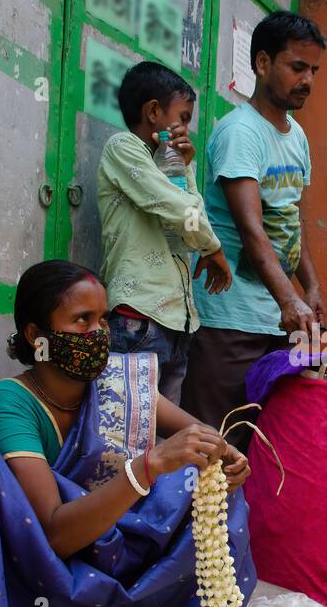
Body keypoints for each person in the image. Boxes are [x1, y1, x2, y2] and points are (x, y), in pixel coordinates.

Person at [0, 260, 254, 607]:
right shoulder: (10, 404)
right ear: (36, 335)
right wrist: (148, 466)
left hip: (120, 553)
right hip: (51, 578)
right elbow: (55, 534)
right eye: (81, 321)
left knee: (201, 479)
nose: (99, 332)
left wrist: (225, 455)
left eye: (103, 319)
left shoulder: (118, 383)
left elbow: (203, 439)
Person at [182, 11, 326, 444]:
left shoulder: (296, 136)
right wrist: (291, 300)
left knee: (254, 450)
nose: (308, 80)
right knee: (210, 443)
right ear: (262, 64)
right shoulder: (240, 132)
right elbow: (251, 229)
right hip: (229, 318)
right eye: (297, 67)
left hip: (275, 322)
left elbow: (291, 218)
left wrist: (312, 288)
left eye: (314, 70)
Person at [99, 61, 232, 404]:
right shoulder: (123, 148)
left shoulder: (167, 161)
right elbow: (176, 209)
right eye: (184, 117)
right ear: (154, 112)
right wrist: (213, 249)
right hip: (139, 319)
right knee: (128, 427)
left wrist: (184, 168)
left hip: (177, 325)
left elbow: (190, 224)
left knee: (161, 435)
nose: (187, 128)